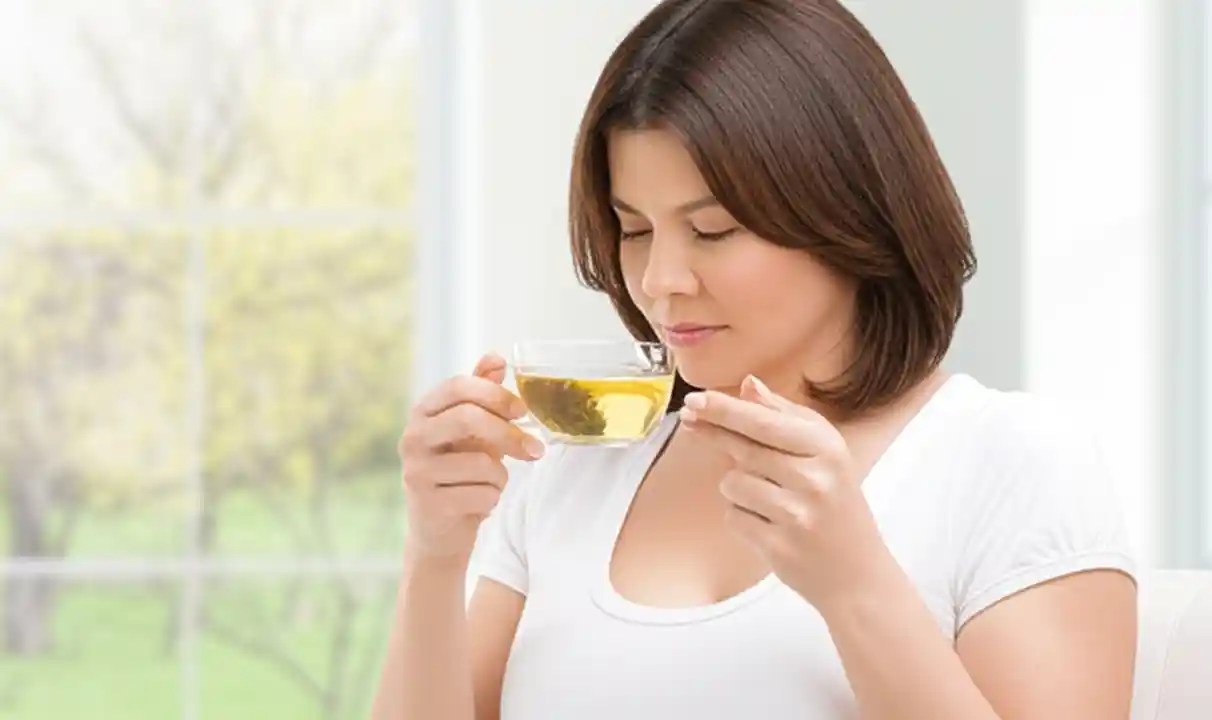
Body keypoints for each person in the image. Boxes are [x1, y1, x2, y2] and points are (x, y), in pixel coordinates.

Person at [372, 0, 1138, 717]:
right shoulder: (577, 467)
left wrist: (853, 584)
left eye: (712, 230)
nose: (661, 282)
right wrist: (436, 555)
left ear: (847, 213)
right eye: (634, 230)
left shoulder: (1010, 463)